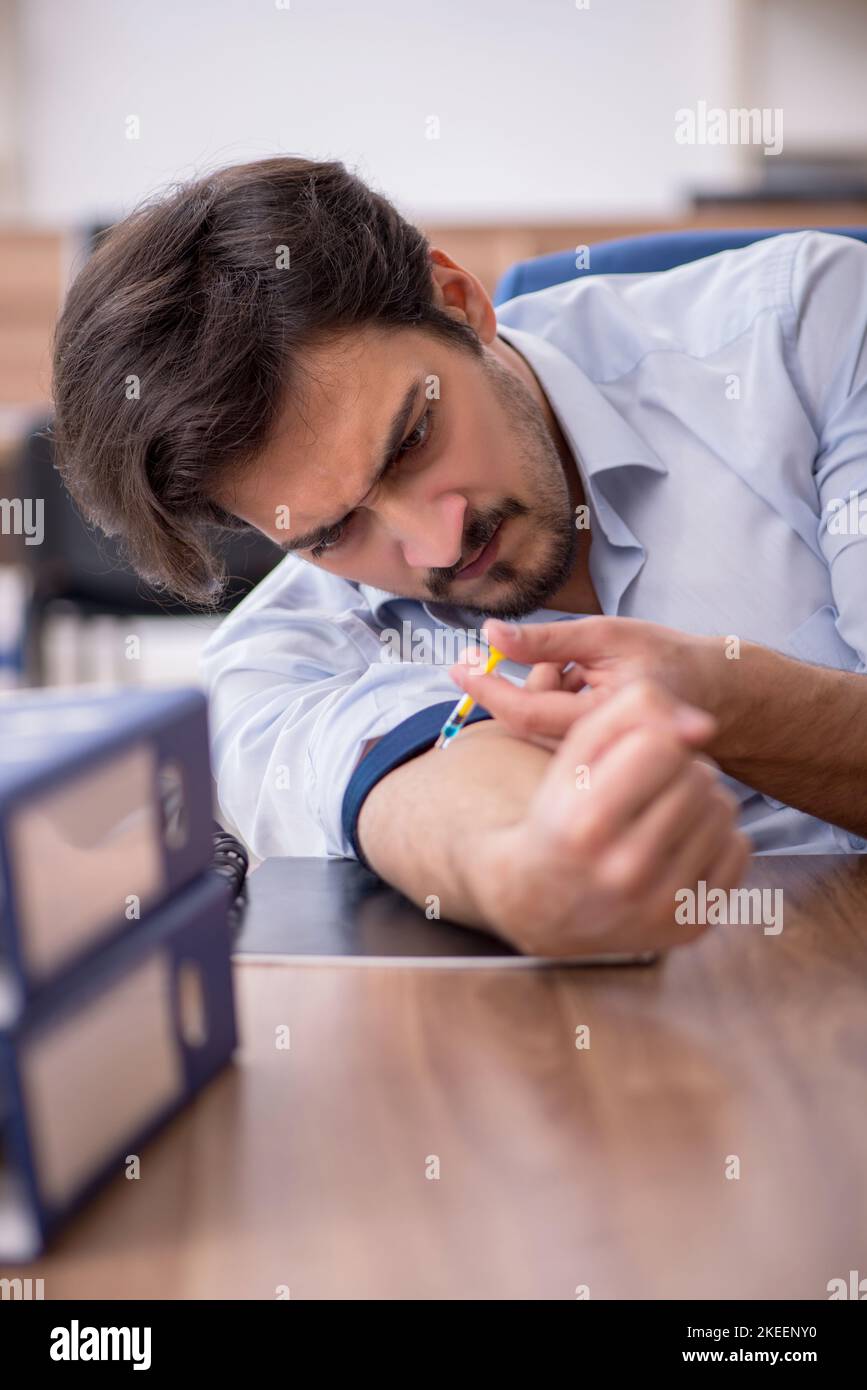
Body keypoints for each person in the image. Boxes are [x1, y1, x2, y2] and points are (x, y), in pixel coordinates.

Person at [50, 157, 867, 955]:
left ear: (458, 301)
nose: (438, 544)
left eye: (411, 441)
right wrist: (527, 864)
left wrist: (739, 706)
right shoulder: (274, 669)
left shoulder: (811, 331)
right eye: (329, 536)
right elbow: (431, 805)